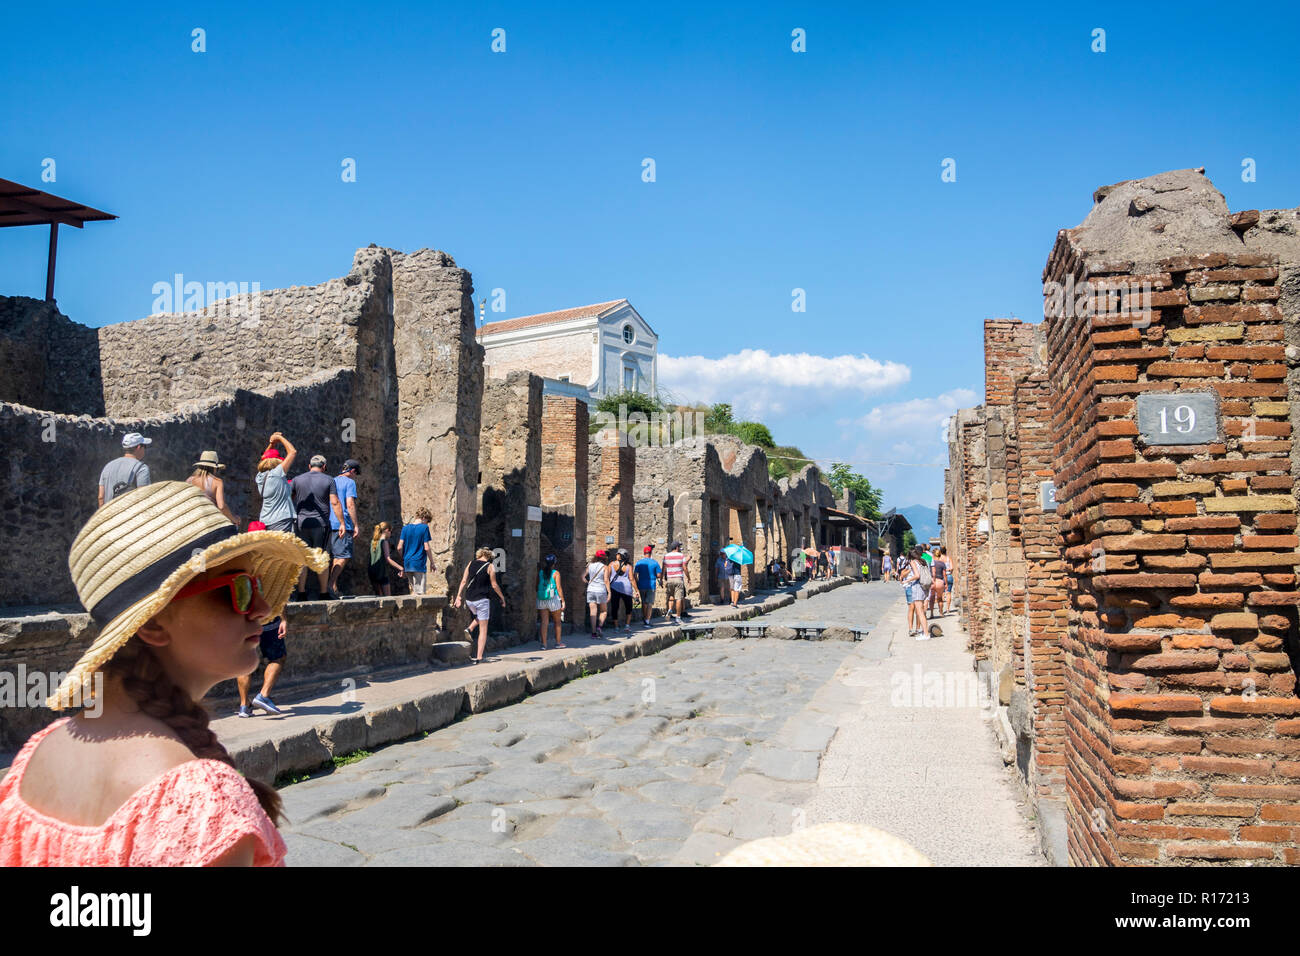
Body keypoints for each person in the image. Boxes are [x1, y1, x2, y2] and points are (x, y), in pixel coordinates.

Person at [0, 480, 328, 866]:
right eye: (238, 589)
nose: (262, 607)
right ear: (154, 625)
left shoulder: (37, 754)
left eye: (256, 584)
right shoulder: (201, 802)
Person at [290, 455, 344, 600]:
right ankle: (323, 592)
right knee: (321, 558)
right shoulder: (329, 480)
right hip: (321, 525)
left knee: (302, 558)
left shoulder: (297, 480)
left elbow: (289, 498)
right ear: (324, 467)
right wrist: (342, 523)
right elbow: (335, 502)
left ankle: (301, 593)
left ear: (309, 466)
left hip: (301, 524)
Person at [454, 547, 507, 663]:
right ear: (489, 557)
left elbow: (463, 581)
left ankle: (470, 628)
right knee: (483, 629)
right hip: (482, 599)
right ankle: (479, 657)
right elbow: (494, 585)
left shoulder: (470, 563)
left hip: (469, 600)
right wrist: (502, 597)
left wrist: (458, 596)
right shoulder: (490, 566)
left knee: (481, 617)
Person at [237, 613, 288, 717]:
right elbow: (278, 598)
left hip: (244, 623)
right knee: (277, 658)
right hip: (268, 622)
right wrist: (284, 619)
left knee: (244, 663)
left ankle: (244, 706)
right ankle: (263, 696)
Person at [327, 459, 361, 598]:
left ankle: (333, 587)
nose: (355, 476)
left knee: (336, 556)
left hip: (329, 522)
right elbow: (350, 503)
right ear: (352, 471)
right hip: (343, 523)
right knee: (344, 556)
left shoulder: (332, 481)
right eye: (355, 473)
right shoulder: (350, 483)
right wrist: (355, 525)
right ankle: (329, 585)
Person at [255, 433, 297, 533]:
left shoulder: (260, 476)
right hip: (281, 520)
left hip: (266, 519)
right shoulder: (277, 474)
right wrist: (279, 438)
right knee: (282, 548)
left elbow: (265, 457)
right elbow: (292, 452)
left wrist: (272, 443)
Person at [98, 432, 152, 508]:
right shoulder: (141, 468)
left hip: (109, 516)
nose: (145, 450)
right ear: (139, 447)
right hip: (129, 517)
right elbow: (143, 497)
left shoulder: (108, 466)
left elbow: (101, 497)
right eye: (145, 447)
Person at [188, 450, 235, 523]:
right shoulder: (217, 482)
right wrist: (234, 519)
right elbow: (221, 507)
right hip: (209, 521)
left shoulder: (189, 480)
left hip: (192, 520)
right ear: (214, 468)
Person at [397, 508, 433, 595]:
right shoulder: (424, 528)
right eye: (427, 521)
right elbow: (426, 547)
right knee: (420, 594)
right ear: (424, 517)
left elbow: (399, 547)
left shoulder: (405, 528)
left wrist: (404, 558)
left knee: (414, 593)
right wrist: (432, 562)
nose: (427, 523)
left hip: (408, 563)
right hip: (419, 563)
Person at [900, 546, 931, 639]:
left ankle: (925, 634)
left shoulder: (913, 562)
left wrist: (907, 580)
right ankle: (924, 631)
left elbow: (917, 575)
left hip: (917, 587)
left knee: (920, 611)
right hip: (925, 587)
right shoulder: (923, 561)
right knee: (922, 611)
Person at [536, 554, 565, 649]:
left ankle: (543, 644)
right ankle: (558, 643)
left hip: (541, 598)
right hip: (553, 599)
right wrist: (563, 601)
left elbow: (536, 586)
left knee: (544, 622)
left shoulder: (540, 572)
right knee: (557, 622)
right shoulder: (556, 573)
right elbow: (559, 588)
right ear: (554, 563)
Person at [368, 522, 403, 596]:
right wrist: (401, 568)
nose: (391, 534)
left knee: (378, 598)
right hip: (381, 572)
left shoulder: (373, 541)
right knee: (388, 598)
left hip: (372, 572)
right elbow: (388, 559)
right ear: (387, 530)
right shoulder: (384, 542)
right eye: (391, 531)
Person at [608, 550, 639, 632]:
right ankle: (627, 626)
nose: (616, 555)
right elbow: (632, 579)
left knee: (615, 607)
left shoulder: (611, 564)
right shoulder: (629, 566)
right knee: (628, 607)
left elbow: (607, 577)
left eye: (617, 554)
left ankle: (616, 627)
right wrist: (636, 590)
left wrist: (606, 588)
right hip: (626, 589)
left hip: (614, 588)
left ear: (619, 555)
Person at [583, 550, 611, 638]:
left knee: (593, 612)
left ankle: (593, 633)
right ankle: (599, 627)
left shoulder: (590, 566)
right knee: (604, 611)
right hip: (601, 590)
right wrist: (609, 592)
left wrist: (588, 583)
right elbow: (606, 580)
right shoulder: (605, 567)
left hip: (590, 590)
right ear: (604, 558)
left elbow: (583, 577)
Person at [662, 541, 690, 623]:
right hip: (678, 579)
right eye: (679, 547)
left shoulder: (666, 556)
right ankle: (678, 617)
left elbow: (663, 568)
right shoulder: (681, 555)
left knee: (671, 596)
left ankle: (670, 610)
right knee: (678, 598)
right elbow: (684, 568)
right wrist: (689, 578)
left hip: (669, 579)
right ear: (677, 547)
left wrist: (661, 579)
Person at [634, 545, 661, 626]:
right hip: (651, 585)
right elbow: (659, 575)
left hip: (641, 585)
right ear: (650, 553)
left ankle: (644, 618)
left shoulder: (639, 563)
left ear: (644, 553)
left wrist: (638, 582)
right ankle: (647, 621)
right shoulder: (655, 563)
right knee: (649, 603)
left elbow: (635, 575)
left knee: (643, 603)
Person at [929, 548, 948, 618]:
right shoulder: (942, 563)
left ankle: (931, 614)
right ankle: (941, 613)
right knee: (940, 598)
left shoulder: (931, 562)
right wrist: (946, 584)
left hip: (933, 581)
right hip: (940, 581)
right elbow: (944, 575)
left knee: (932, 598)